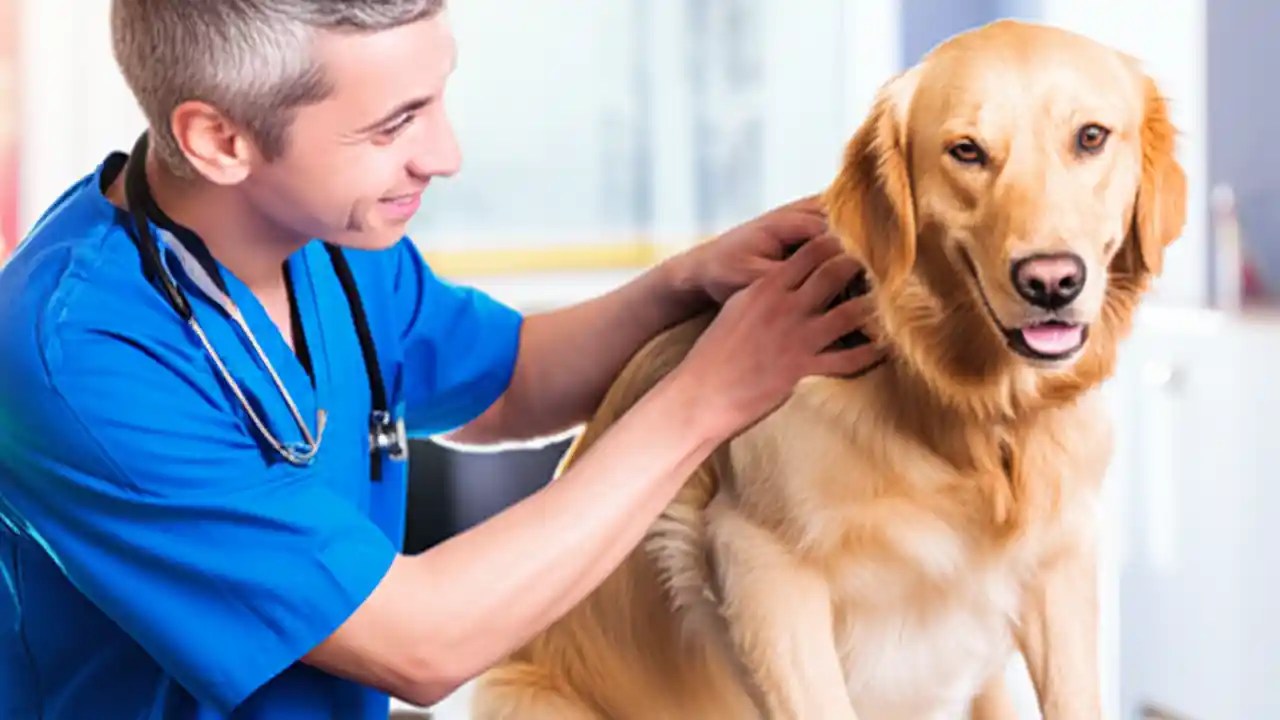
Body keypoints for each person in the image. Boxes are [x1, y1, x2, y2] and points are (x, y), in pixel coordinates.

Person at [0, 2, 883, 718]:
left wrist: (682, 286)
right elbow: (422, 644)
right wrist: (707, 398)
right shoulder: (78, 358)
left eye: (435, 97)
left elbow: (508, 381)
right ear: (221, 141)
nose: (445, 156)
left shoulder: (328, 234)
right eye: (394, 126)